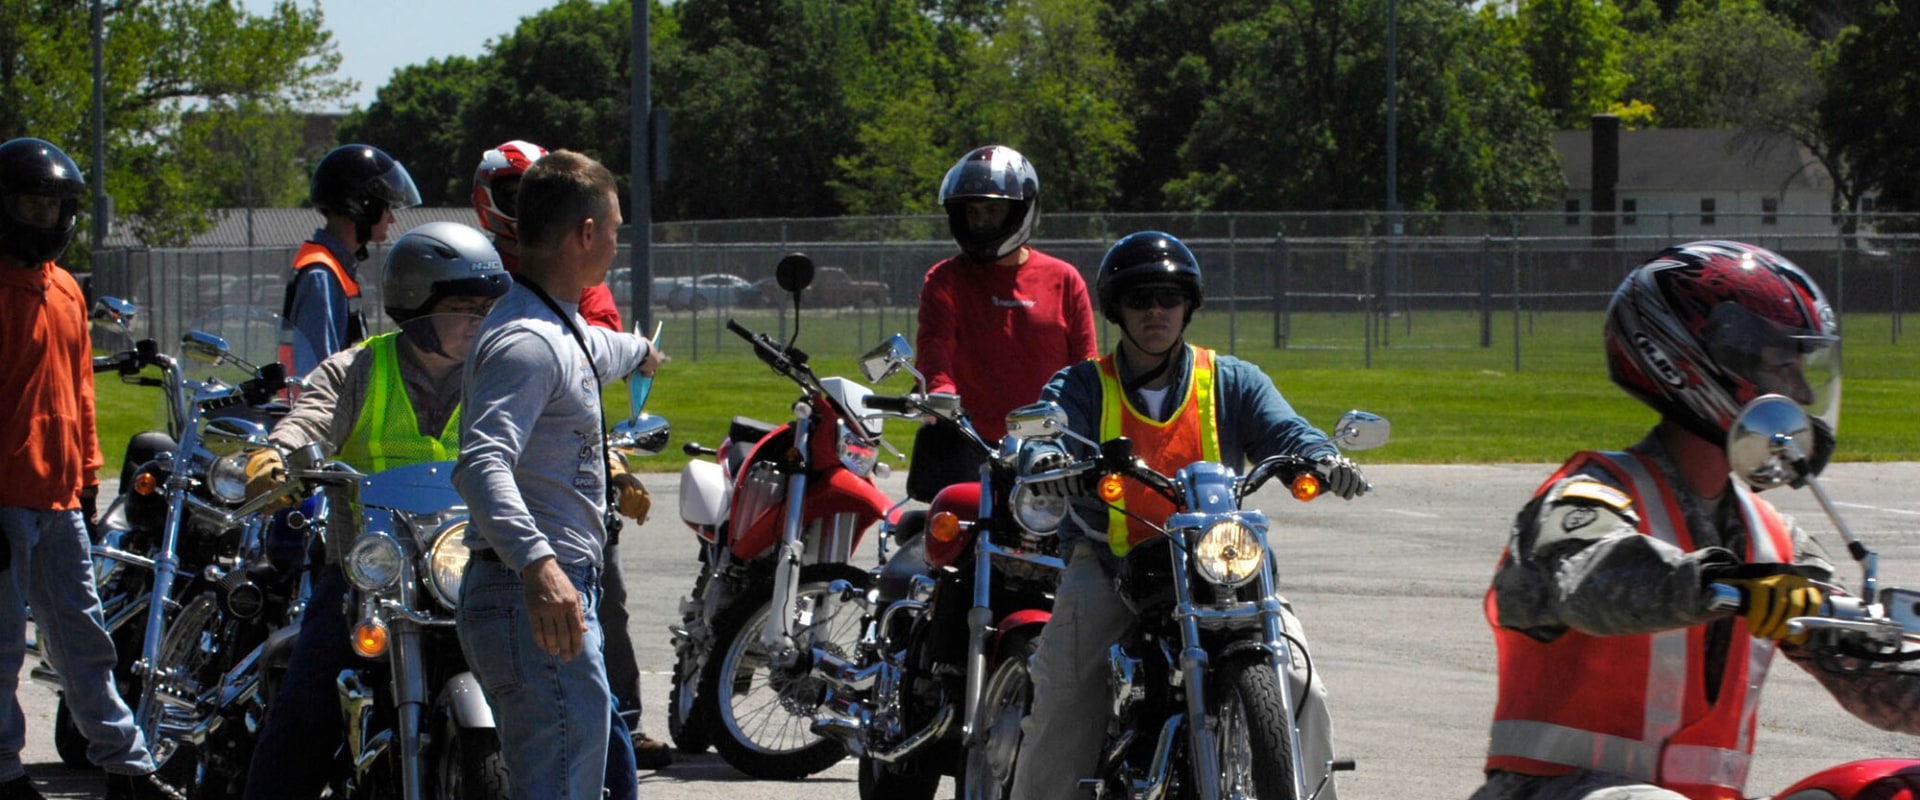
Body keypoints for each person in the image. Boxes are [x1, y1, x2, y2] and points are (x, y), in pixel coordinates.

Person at [1470, 240, 1920, 800]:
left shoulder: (1774, 541)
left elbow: (1872, 678)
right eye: (1784, 366)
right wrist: (1724, 583)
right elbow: (1590, 585)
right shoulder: (1589, 496)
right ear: (1705, 365)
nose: (1803, 393)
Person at [1009, 231, 1369, 800]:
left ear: (1188, 306)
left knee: (1301, 685)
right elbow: (1040, 429)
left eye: (1168, 298)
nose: (1155, 311)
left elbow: (1288, 431)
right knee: (1065, 695)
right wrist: (1048, 458)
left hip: (1219, 560)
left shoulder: (1231, 379)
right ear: (1117, 310)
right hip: (1112, 564)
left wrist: (1323, 458)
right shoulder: (1084, 383)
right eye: (1139, 299)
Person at [241, 221, 515, 799]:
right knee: (305, 706)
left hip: (473, 571)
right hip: (368, 579)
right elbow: (309, 417)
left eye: (485, 310)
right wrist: (276, 455)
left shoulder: (501, 371)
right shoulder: (359, 370)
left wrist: (602, 459)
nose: (476, 324)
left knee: (581, 689)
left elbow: (554, 424)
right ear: (415, 309)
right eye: (462, 310)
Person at [452, 149, 660, 800]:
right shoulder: (527, 342)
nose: (618, 245)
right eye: (616, 229)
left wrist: (644, 353)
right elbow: (482, 462)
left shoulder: (553, 323)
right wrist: (540, 568)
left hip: (551, 598)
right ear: (587, 233)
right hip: (536, 599)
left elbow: (598, 350)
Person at [0, 137, 165, 800]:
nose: (43, 218)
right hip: (5, 501)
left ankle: (124, 764)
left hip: (61, 501)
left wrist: (87, 481)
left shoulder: (66, 290)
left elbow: (79, 396)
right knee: (4, 647)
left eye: (53, 206)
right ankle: (7, 769)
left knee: (84, 642)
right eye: (29, 204)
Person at [913, 145, 1096, 489]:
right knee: (949, 536)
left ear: (1020, 210)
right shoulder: (945, 279)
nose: (981, 221)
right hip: (970, 443)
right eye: (973, 212)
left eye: (992, 211)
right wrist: (940, 390)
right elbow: (934, 346)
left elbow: (1085, 364)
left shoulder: (1063, 279)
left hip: (1049, 446)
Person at [279, 143, 421, 378]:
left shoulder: (334, 269)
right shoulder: (321, 275)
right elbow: (318, 375)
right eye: (387, 208)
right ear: (365, 207)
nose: (392, 219)